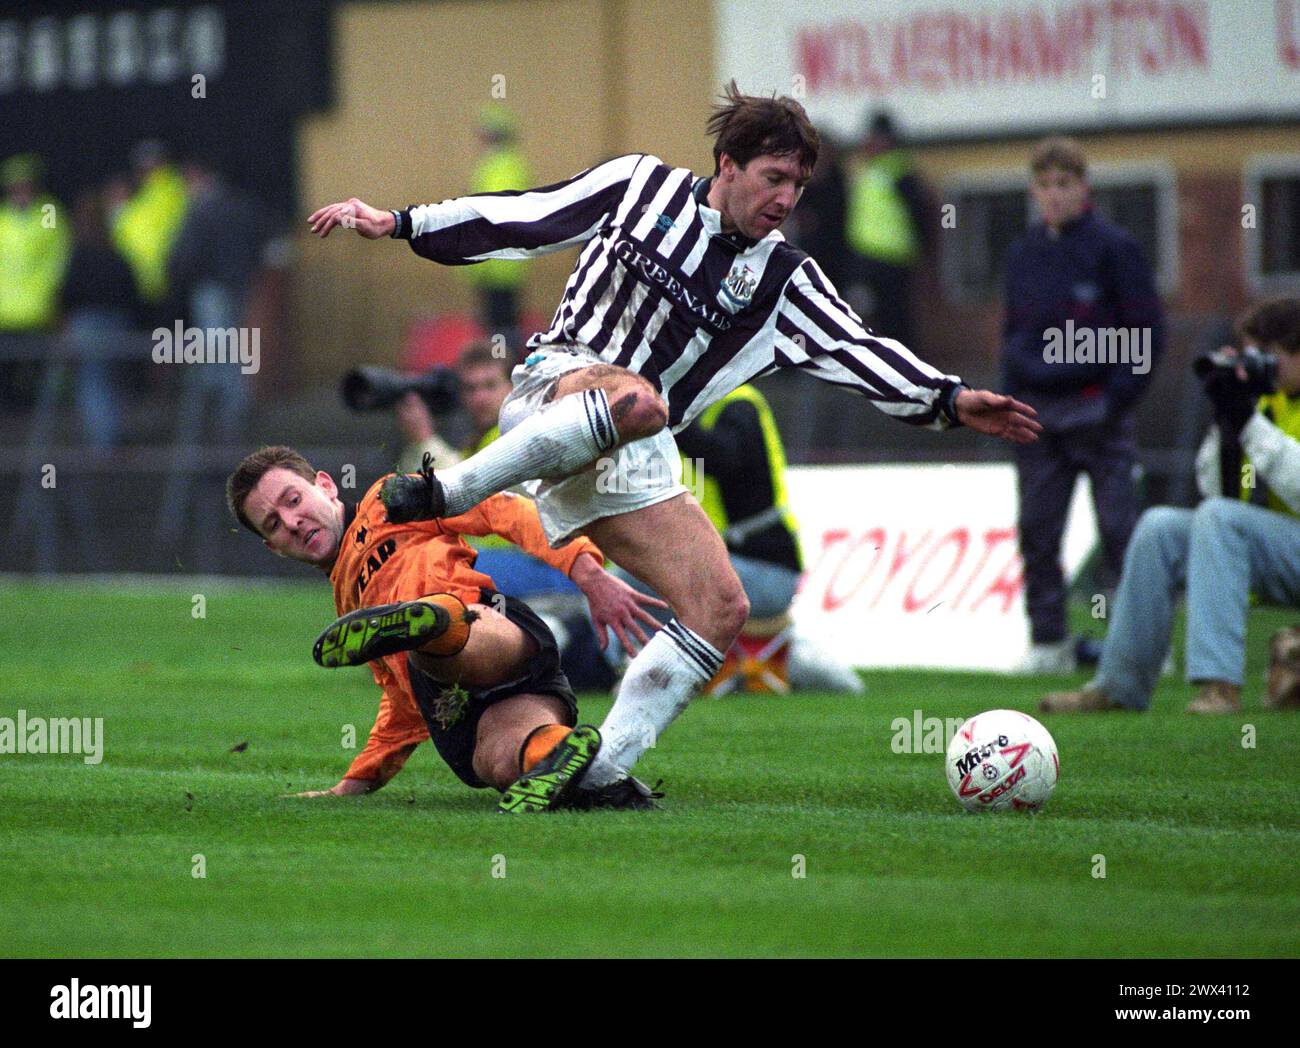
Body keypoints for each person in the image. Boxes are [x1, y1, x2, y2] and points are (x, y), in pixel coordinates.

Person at [306, 81, 1041, 810]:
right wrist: (401, 222)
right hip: (552, 392)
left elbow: (858, 349)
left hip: (633, 451)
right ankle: (450, 490)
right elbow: (521, 217)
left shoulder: (784, 278)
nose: (786, 198)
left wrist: (946, 399)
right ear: (727, 164)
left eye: (798, 183)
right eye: (772, 177)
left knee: (720, 606)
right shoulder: (637, 186)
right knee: (640, 399)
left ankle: (597, 773)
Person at [225, 445, 666, 809]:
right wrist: (355, 782)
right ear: (274, 548)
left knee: (442, 642)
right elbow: (401, 703)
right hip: (472, 708)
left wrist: (585, 570)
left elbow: (500, 511)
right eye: (275, 525)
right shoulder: (346, 601)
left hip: (490, 626)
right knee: (499, 760)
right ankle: (570, 762)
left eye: (292, 500)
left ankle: (436, 622)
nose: (291, 522)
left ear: (325, 484)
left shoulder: (390, 500)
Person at [1040, 298, 1300, 714]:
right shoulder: (1271, 400)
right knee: (1160, 526)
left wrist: (1250, 427)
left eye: (1265, 356)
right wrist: (1229, 420)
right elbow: (1218, 492)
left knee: (1219, 520)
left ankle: (1219, 685)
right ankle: (1117, 686)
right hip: (1284, 549)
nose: (1257, 366)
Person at [1002, 136, 1165, 673]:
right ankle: (1049, 644)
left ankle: (1145, 648)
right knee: (1038, 530)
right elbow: (1012, 334)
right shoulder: (1022, 252)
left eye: (1064, 184)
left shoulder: (1116, 248)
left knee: (1122, 531)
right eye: (1044, 185)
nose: (1054, 195)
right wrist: (1014, 398)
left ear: (1083, 187)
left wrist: (1117, 398)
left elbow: (1146, 332)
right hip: (1037, 415)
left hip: (1100, 413)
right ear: (1034, 190)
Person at [608, 382, 864, 692]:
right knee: (638, 576)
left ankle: (640, 672)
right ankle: (664, 670)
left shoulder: (738, 404)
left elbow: (723, 457)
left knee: (636, 579)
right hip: (747, 567)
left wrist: (667, 418)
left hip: (766, 573)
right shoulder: (701, 411)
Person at [842, 112, 931, 347]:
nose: (870, 143)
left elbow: (920, 212)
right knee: (869, 316)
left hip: (892, 258)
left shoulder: (899, 171)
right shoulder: (868, 169)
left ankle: (907, 368)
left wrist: (923, 252)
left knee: (896, 318)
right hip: (866, 256)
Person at [0, 153, 69, 404]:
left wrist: (51, 293)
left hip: (38, 309)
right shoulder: (3, 218)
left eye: (26, 184)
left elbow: (58, 253)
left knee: (37, 373)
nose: (21, 191)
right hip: (5, 313)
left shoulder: (48, 211)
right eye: (15, 186)